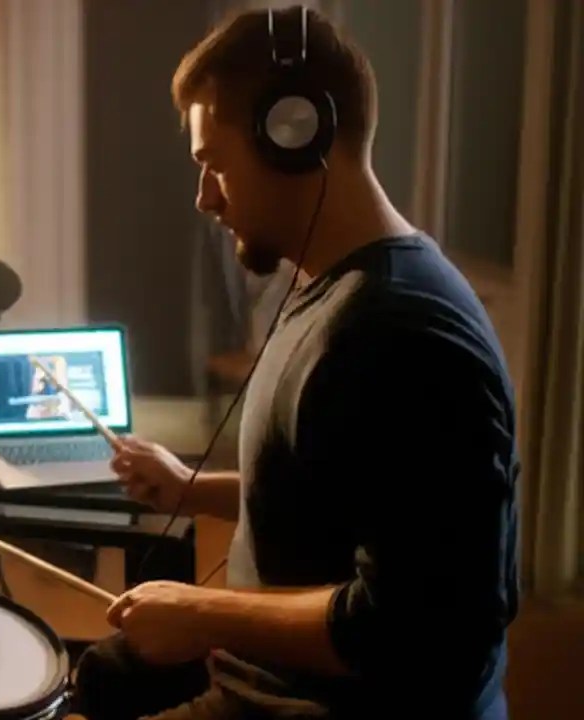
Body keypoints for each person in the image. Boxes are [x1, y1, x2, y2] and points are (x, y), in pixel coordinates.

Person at [74, 6, 520, 720]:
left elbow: (422, 628)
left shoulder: (399, 334)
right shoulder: (336, 288)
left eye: (215, 165)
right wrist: (191, 488)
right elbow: (335, 488)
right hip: (273, 674)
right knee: (99, 679)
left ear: (295, 135)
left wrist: (204, 612)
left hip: (321, 702)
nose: (204, 197)